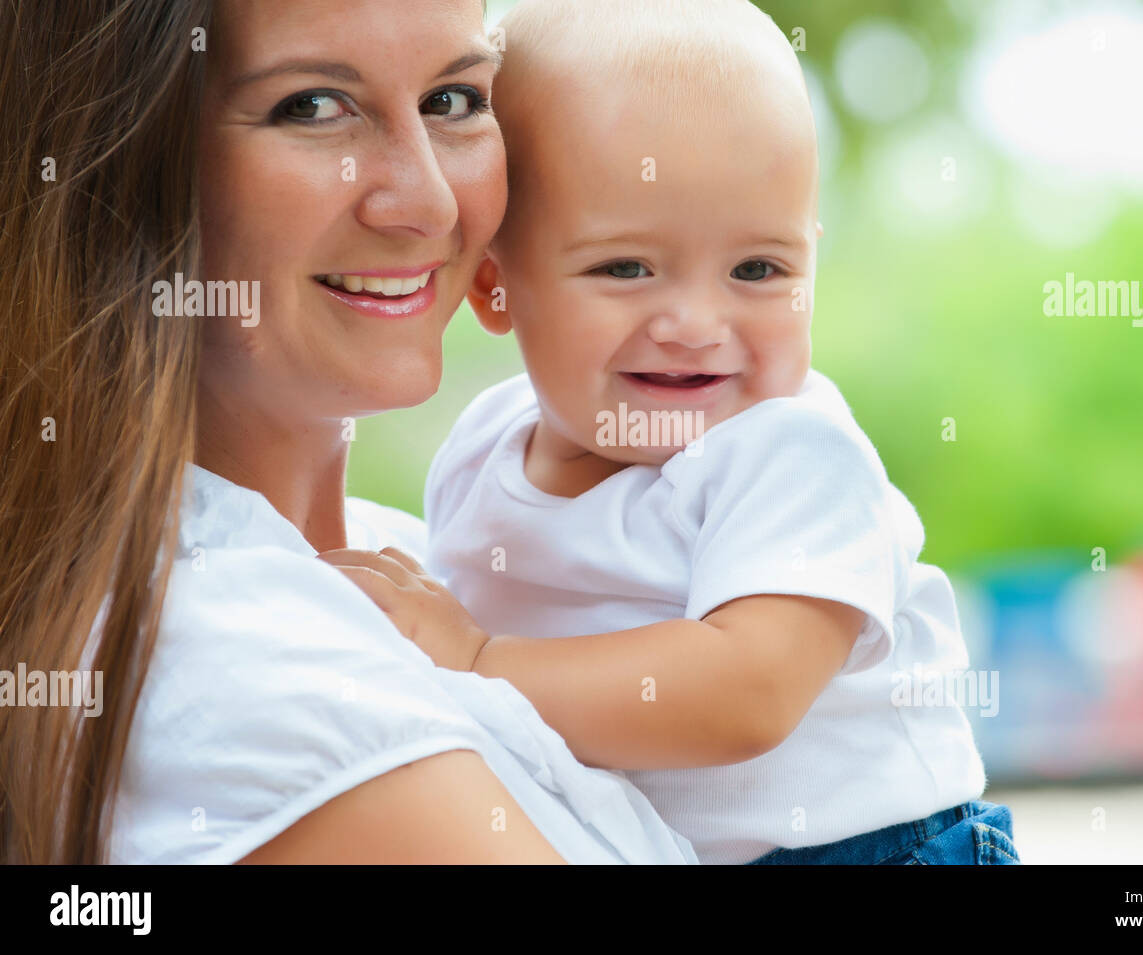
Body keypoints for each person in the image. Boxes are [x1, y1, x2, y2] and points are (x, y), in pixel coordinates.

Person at [0, 0, 695, 864]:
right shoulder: (243, 667)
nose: (430, 203)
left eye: (453, 100)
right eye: (314, 106)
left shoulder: (410, 562)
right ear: (117, 163)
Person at [337, 0, 1020, 865]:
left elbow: (748, 692)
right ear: (493, 287)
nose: (697, 322)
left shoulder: (793, 454)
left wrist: (478, 659)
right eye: (626, 267)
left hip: (869, 850)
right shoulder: (480, 451)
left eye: (757, 269)